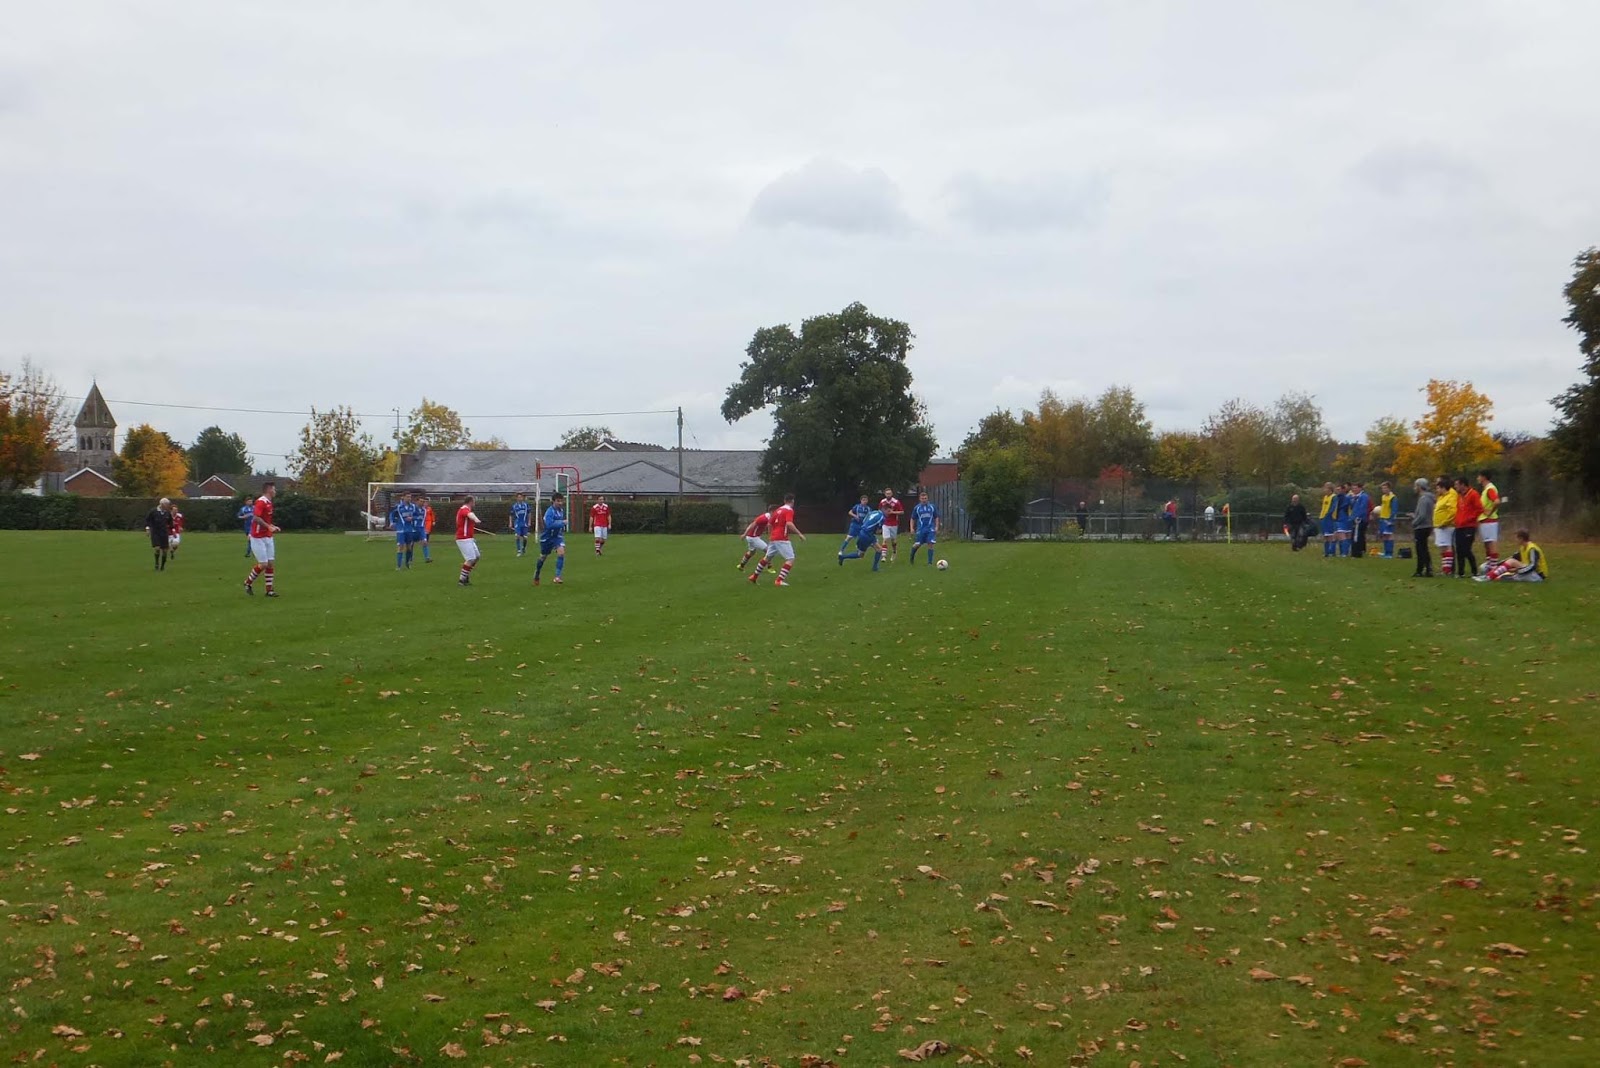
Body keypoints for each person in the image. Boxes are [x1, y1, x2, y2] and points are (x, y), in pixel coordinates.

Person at [749, 493, 805, 586]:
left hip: (774, 537)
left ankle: (754, 576)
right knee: (790, 559)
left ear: (784, 501)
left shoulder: (778, 510)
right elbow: (789, 524)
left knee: (767, 558)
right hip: (782, 538)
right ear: (793, 501)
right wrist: (799, 534)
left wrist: (771, 535)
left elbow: (769, 524)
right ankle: (779, 580)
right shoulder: (789, 510)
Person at [244, 480, 280, 597]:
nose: (275, 491)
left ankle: (269, 590)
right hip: (258, 537)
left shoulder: (269, 502)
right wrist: (269, 526)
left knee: (270, 563)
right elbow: (256, 518)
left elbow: (265, 520)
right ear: (269, 489)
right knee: (263, 564)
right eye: (274, 489)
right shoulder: (261, 502)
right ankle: (248, 582)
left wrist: (272, 526)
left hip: (267, 536)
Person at [1474, 528, 1547, 582]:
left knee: (1511, 565)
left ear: (1521, 538)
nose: (1515, 540)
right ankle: (1487, 576)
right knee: (1503, 574)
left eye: (1516, 538)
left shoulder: (1532, 549)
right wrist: (1498, 565)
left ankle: (1488, 578)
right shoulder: (1523, 548)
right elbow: (1512, 558)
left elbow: (1533, 566)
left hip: (1537, 576)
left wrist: (1518, 571)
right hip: (1528, 572)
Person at [1452, 476, 1482, 581]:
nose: (1455, 487)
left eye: (1457, 485)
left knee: (1466, 549)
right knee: (1459, 549)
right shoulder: (1459, 496)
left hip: (1469, 526)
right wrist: (1457, 520)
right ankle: (1460, 572)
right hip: (1459, 526)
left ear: (1463, 485)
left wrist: (1469, 518)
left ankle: (1475, 571)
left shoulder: (1473, 494)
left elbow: (1479, 509)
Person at [533, 495, 567, 585]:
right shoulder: (549, 512)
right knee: (543, 557)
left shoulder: (561, 510)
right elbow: (549, 525)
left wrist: (561, 526)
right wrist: (562, 523)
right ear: (553, 501)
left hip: (557, 537)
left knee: (561, 553)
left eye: (561, 501)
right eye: (558, 501)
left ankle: (557, 577)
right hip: (547, 537)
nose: (560, 503)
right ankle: (537, 573)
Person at [1476, 471, 1504, 565]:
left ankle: (1493, 566)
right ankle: (1489, 565)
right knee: (1487, 543)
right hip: (1485, 520)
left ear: (1484, 477)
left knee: (1491, 543)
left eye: (1479, 476)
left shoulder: (1490, 489)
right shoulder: (1486, 489)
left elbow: (1496, 501)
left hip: (1490, 520)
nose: (1477, 478)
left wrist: (1490, 512)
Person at [455, 495, 483, 587]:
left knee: (477, 556)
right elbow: (470, 515)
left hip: (469, 538)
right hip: (463, 538)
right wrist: (476, 519)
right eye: (474, 501)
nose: (474, 503)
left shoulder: (465, 509)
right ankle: (462, 580)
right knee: (470, 559)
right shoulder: (464, 509)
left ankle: (465, 574)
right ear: (470, 501)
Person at [1432, 476, 1457, 576]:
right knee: (1442, 547)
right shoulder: (1441, 497)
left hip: (1446, 526)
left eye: (1438, 488)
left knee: (1447, 546)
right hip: (1439, 526)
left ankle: (1447, 570)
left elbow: (1452, 511)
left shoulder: (1451, 495)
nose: (1437, 490)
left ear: (1443, 487)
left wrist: (1445, 522)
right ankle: (1445, 568)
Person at [1411, 477, 1435, 578]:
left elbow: (1422, 515)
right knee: (1424, 548)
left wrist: (1414, 522)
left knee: (1421, 549)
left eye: (1416, 486)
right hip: (1427, 525)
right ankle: (1426, 569)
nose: (1414, 488)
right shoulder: (1429, 498)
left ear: (1420, 487)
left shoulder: (1424, 499)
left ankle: (1422, 569)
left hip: (1422, 527)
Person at [909, 490, 940, 565]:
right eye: (922, 498)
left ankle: (930, 563)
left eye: (925, 498)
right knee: (917, 544)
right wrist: (912, 528)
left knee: (930, 543)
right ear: (920, 499)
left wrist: (936, 527)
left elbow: (936, 517)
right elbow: (912, 518)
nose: (924, 500)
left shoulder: (932, 507)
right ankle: (911, 557)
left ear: (927, 498)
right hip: (921, 529)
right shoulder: (917, 508)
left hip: (930, 529)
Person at [144, 498, 174, 571]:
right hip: (155, 532)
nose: (168, 506)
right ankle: (157, 563)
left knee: (164, 551)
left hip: (164, 533)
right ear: (162, 504)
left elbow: (171, 523)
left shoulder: (167, 513)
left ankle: (162, 566)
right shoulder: (153, 511)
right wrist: (147, 529)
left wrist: (172, 532)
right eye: (167, 504)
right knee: (157, 548)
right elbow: (147, 520)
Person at [389, 490, 414, 570]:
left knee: (409, 547)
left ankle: (407, 563)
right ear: (403, 497)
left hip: (409, 529)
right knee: (400, 546)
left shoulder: (413, 507)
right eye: (407, 497)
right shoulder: (399, 506)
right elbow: (391, 514)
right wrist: (392, 522)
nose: (409, 498)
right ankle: (399, 566)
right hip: (401, 529)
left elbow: (417, 515)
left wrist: (412, 518)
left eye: (410, 497)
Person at [879, 488, 904, 562]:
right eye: (887, 493)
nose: (888, 495)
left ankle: (894, 552)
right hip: (885, 523)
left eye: (889, 493)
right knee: (885, 539)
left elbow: (902, 512)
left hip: (893, 523)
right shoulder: (882, 502)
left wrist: (892, 512)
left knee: (893, 541)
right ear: (885, 494)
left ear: (892, 494)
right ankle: (884, 556)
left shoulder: (896, 502)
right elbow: (879, 511)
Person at [1376, 481, 1397, 558]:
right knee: (1384, 536)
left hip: (1388, 519)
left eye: (1385, 488)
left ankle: (1390, 553)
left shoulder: (1393, 497)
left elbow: (1394, 510)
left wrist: (1391, 520)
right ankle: (1386, 552)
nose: (1384, 490)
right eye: (1382, 488)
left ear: (1389, 488)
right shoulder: (1383, 497)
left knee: (1389, 535)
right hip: (1382, 518)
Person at [1350, 482, 1372, 557]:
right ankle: (1357, 551)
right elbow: (1352, 507)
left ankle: (1357, 553)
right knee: (1356, 535)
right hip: (1355, 518)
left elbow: (1363, 508)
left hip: (1360, 519)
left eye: (1355, 488)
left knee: (1357, 536)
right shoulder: (1355, 497)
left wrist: (1358, 517)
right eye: (1353, 489)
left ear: (1360, 488)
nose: (1354, 490)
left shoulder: (1364, 496)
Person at [1333, 482, 1354, 557]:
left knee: (1342, 536)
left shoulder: (1342, 497)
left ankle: (1344, 553)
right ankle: (1345, 552)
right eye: (1337, 489)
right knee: (1347, 535)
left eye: (1339, 489)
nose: (1337, 491)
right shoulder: (1348, 497)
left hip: (1342, 518)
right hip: (1346, 518)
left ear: (1343, 490)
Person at [509, 492, 532, 557]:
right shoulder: (514, 506)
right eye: (518, 497)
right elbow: (511, 515)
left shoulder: (526, 505)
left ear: (523, 498)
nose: (520, 498)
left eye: (521, 497)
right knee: (517, 536)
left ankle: (523, 548)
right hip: (517, 523)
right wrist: (510, 523)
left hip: (524, 523)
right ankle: (519, 551)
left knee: (525, 538)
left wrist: (529, 522)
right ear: (517, 498)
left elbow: (529, 513)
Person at [1318, 482, 1337, 557]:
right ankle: (1326, 552)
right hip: (1323, 518)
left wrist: (1328, 514)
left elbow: (1333, 507)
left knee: (1330, 535)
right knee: (1325, 536)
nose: (1324, 489)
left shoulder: (1334, 497)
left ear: (1330, 489)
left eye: (1325, 488)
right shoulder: (1325, 497)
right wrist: (1321, 516)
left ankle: (1332, 552)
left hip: (1329, 518)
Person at [417, 495, 435, 564]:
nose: (424, 503)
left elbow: (432, 515)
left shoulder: (427, 509)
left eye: (424, 502)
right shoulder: (414, 508)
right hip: (414, 528)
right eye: (422, 501)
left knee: (425, 542)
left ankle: (427, 558)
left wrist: (433, 521)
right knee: (410, 544)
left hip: (424, 526)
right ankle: (409, 558)